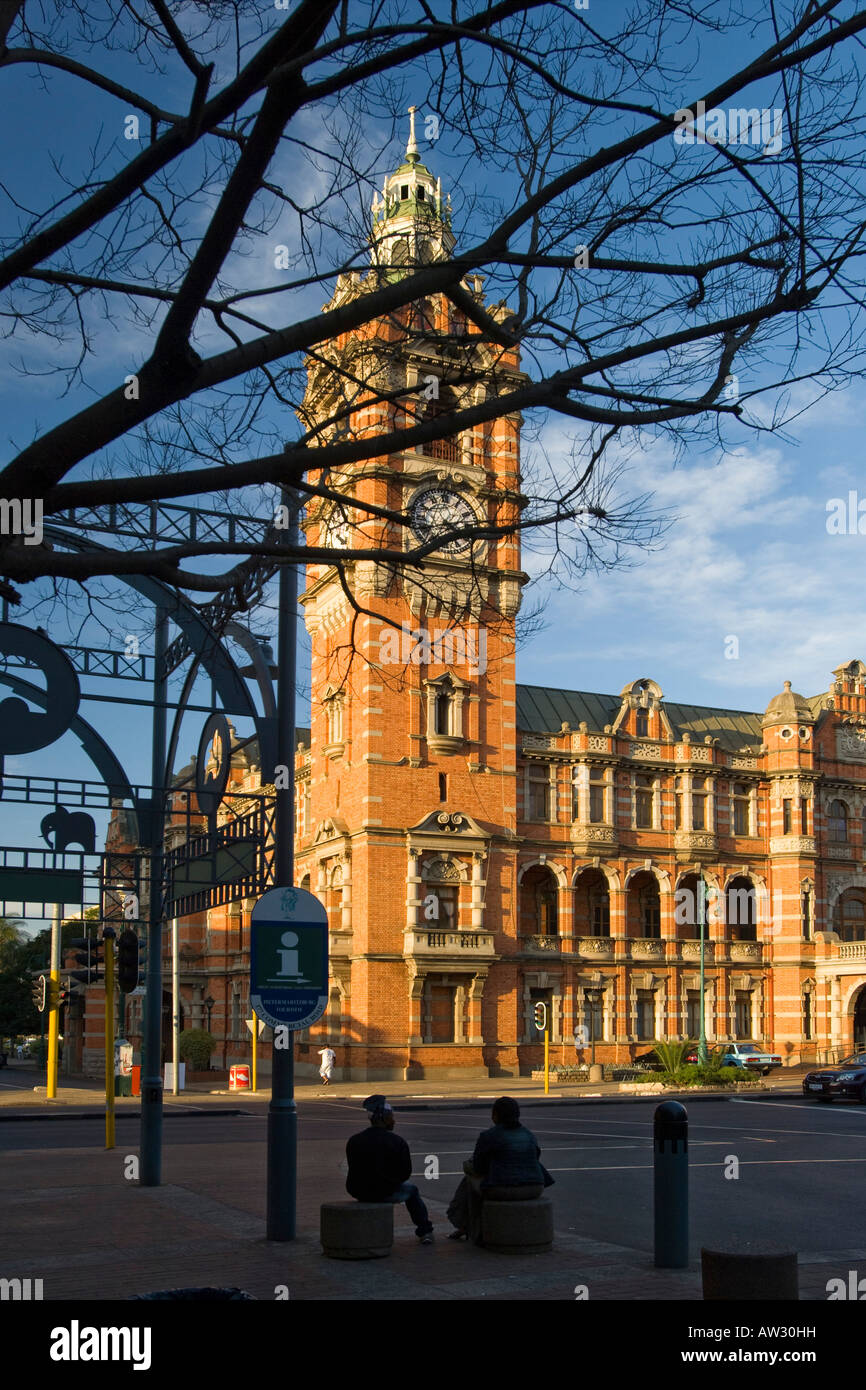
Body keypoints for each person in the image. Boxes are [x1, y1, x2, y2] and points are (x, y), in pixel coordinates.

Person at [446, 1096, 553, 1243]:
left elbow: (478, 1168)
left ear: (495, 1115)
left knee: (470, 1180)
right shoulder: (528, 1135)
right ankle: (466, 1226)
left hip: (504, 1188)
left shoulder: (489, 1136)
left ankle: (470, 1228)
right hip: (536, 1186)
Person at [345, 1095, 434, 1243]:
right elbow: (405, 1173)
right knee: (412, 1190)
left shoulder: (355, 1140)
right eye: (391, 1116)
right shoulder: (397, 1142)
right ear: (383, 1118)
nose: (394, 1120)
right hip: (384, 1192)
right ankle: (424, 1230)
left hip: (358, 1190)